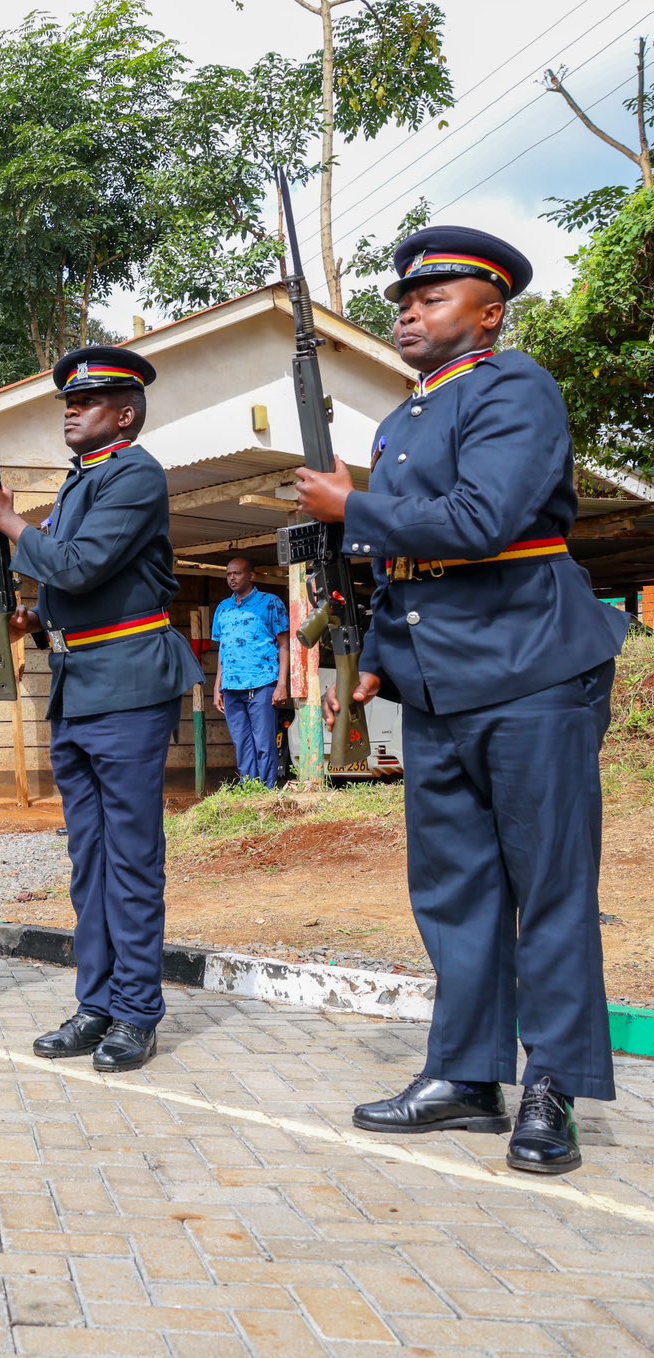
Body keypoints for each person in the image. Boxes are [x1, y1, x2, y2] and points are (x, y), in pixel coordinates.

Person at [294, 228, 630, 1176]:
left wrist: (352, 510)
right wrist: (381, 662)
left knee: (548, 890)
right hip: (438, 683)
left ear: (490, 313)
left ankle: (553, 1088)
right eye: (405, 298)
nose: (408, 309)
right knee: (453, 889)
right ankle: (466, 1077)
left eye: (435, 297)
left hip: (530, 670)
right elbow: (411, 568)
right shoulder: (405, 418)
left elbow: (483, 520)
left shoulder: (514, 387)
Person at [0, 346, 202, 1073]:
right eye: (69, 401)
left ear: (123, 414)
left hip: (129, 684)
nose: (71, 409)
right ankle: (95, 1003)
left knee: (130, 859)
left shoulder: (134, 472)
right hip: (81, 681)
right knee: (89, 860)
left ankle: (135, 1013)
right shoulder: (84, 481)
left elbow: (78, 564)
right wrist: (34, 620)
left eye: (87, 402)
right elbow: (83, 585)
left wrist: (8, 521)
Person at [211, 556, 292, 788]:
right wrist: (218, 685)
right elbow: (223, 649)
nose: (232, 578)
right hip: (232, 686)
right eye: (228, 574)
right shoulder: (223, 609)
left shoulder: (270, 603)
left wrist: (282, 684)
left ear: (252, 576)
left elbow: (284, 644)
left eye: (237, 573)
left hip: (263, 682)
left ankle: (267, 790)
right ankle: (249, 788)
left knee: (264, 741)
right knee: (241, 742)